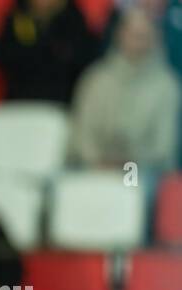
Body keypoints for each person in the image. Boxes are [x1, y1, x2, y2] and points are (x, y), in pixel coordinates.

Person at [71, 6, 180, 176]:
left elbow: (163, 148)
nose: (138, 42)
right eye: (133, 34)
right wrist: (98, 163)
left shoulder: (167, 86)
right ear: (119, 35)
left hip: (142, 172)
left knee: (129, 189)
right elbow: (82, 136)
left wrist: (128, 164)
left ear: (155, 39)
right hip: (95, 169)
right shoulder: (95, 79)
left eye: (144, 36)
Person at [0, 0, 98, 102]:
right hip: (18, 106)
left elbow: (86, 65)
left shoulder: (76, 24)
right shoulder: (17, 18)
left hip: (64, 108)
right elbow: (2, 59)